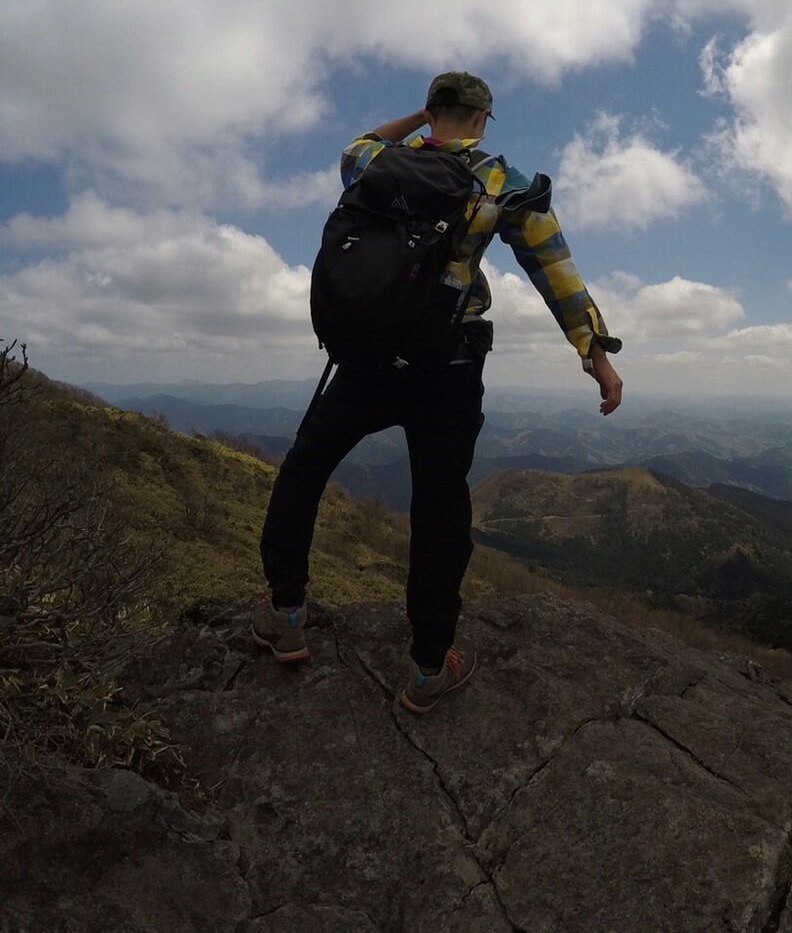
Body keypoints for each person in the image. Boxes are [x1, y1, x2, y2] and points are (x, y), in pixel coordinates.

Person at [251, 71, 623, 714]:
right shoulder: (501, 183)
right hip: (447, 364)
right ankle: (428, 666)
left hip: (366, 358)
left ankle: (285, 614)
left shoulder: (377, 165)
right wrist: (594, 352)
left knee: (305, 470)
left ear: (432, 112)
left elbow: (355, 146)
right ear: (481, 119)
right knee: (440, 506)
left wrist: (418, 121)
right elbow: (554, 268)